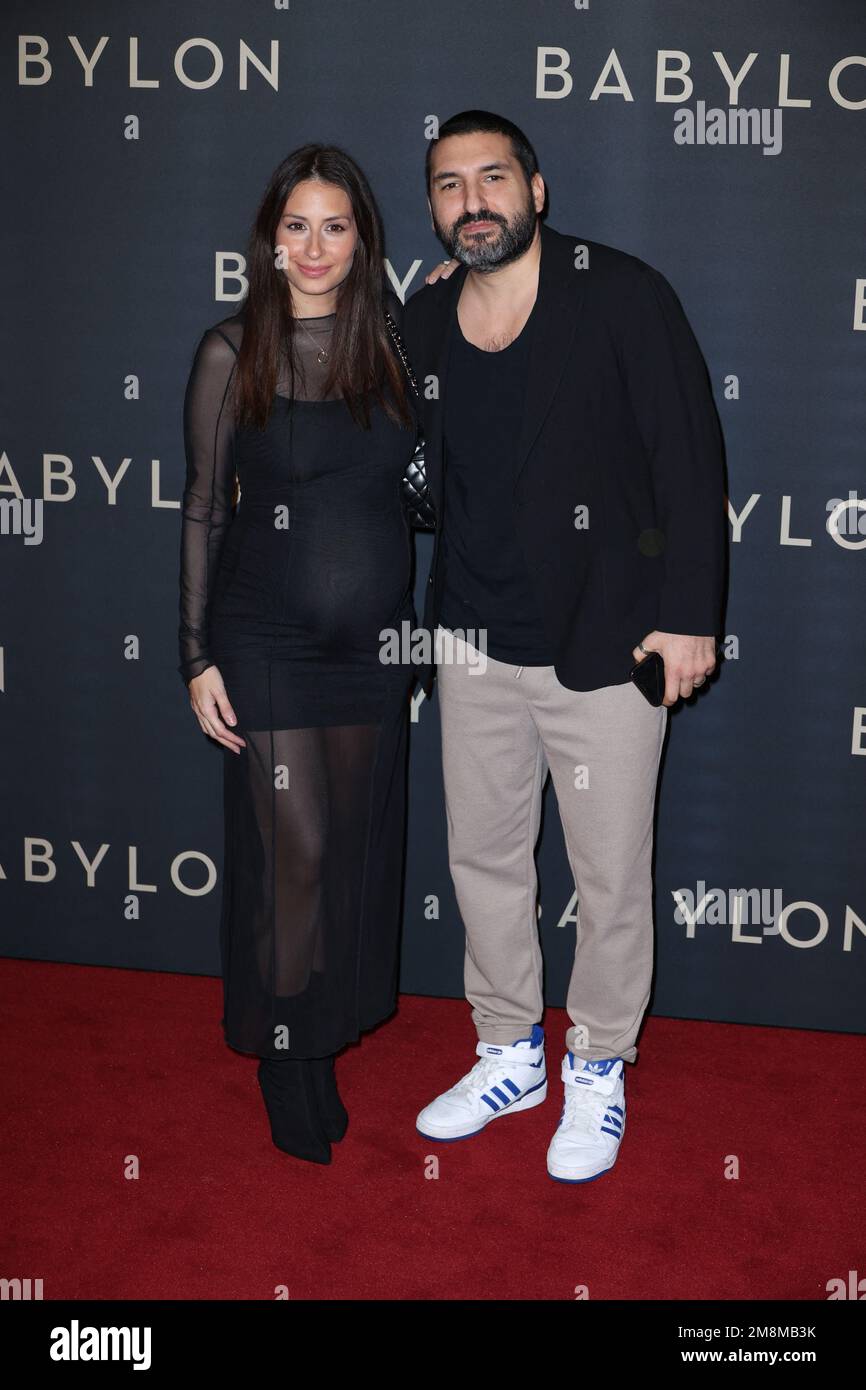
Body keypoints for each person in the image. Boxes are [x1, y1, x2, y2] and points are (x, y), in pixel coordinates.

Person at [402, 110, 727, 1182]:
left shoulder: (621, 295)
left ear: (536, 191)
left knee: (606, 873)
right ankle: (507, 1050)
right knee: (484, 861)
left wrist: (687, 617)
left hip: (609, 639)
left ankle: (595, 1062)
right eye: (449, 185)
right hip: (473, 641)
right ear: (436, 207)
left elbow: (686, 460)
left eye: (492, 177)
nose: (472, 201)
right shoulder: (427, 312)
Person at [178, 145, 423, 1165]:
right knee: (296, 858)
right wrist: (194, 655)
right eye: (295, 225)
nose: (314, 246)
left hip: (372, 650)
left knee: (355, 858)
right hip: (265, 641)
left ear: (361, 238)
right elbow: (200, 509)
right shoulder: (231, 351)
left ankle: (322, 1034)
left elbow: (431, 486)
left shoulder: (401, 350)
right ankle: (289, 1053)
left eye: (334, 225)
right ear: (268, 239)